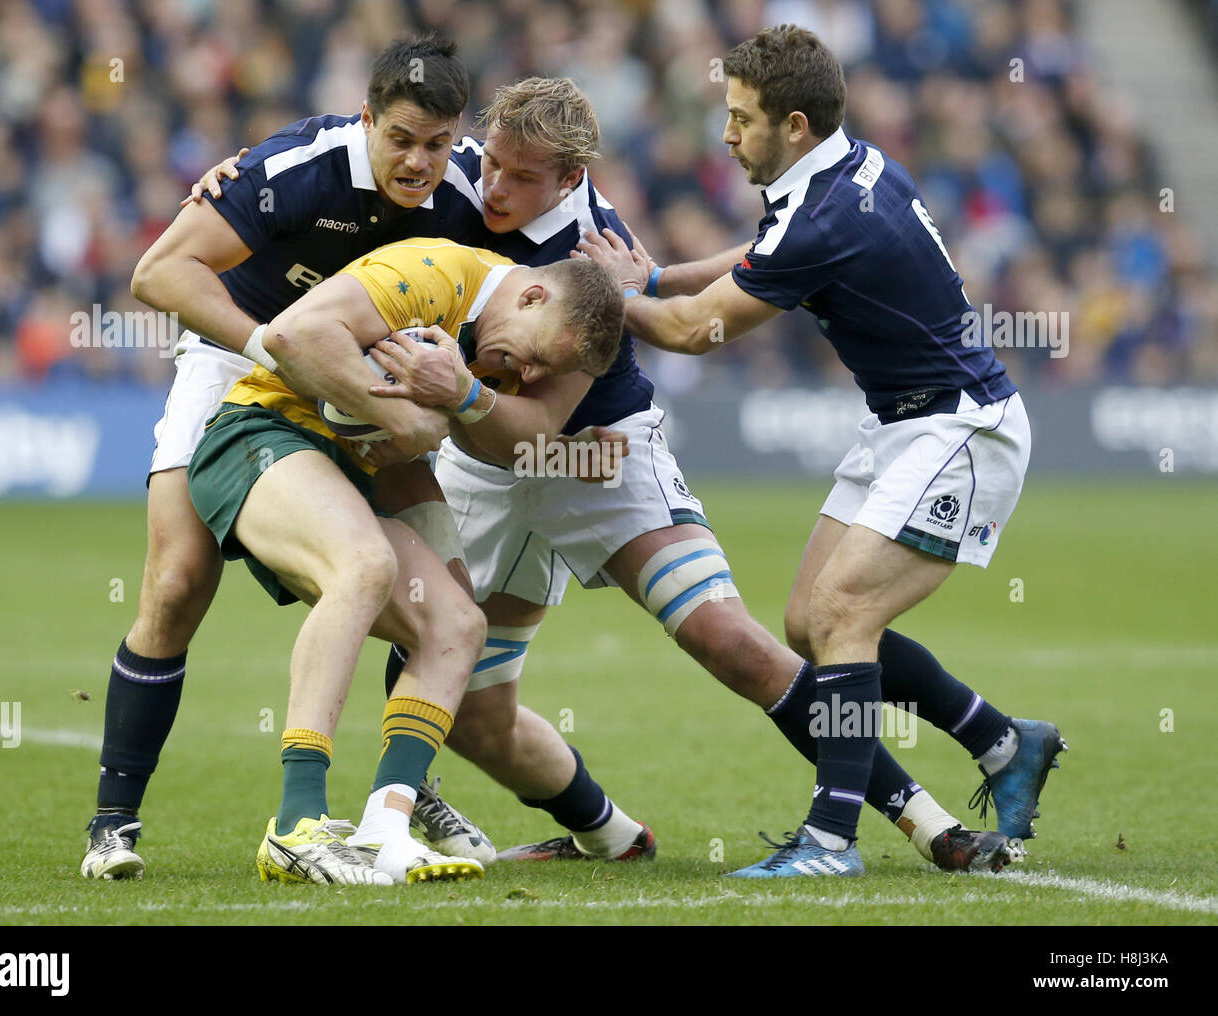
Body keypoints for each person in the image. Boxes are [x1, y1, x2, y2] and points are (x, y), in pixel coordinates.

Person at [339, 77, 1020, 873]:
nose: (494, 186)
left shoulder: (583, 254)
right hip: (490, 463)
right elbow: (352, 143)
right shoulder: (455, 168)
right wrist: (243, 177)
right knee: (474, 707)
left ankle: (926, 821)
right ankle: (612, 836)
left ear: (570, 181)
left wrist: (454, 392)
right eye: (491, 163)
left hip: (597, 456)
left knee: (733, 644)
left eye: (522, 178)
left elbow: (525, 431)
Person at [581, 26, 1065, 877]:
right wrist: (655, 279)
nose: (725, 135)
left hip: (961, 429)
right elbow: (761, 256)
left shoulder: (830, 210)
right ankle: (1002, 739)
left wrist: (612, 296)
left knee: (844, 616)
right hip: (904, 423)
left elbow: (698, 336)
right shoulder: (840, 172)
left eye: (740, 119)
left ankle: (831, 840)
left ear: (794, 123)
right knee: (810, 622)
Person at [79, 35, 492, 881]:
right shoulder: (298, 165)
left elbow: (554, 202)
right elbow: (159, 275)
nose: (420, 162)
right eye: (402, 138)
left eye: (438, 143)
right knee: (178, 582)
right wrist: (273, 347)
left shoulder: (476, 183)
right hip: (244, 361)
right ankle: (112, 823)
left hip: (374, 383)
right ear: (367, 117)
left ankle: (402, 794)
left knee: (443, 594)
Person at [182, 236, 621, 884]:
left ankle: (386, 825)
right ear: (530, 297)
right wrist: (410, 420)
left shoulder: (495, 347)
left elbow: (526, 436)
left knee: (458, 627)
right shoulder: (434, 272)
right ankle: (296, 824)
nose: (525, 376)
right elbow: (292, 336)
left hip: (366, 472)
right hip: (260, 436)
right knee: (364, 565)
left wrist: (465, 399)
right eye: (532, 358)